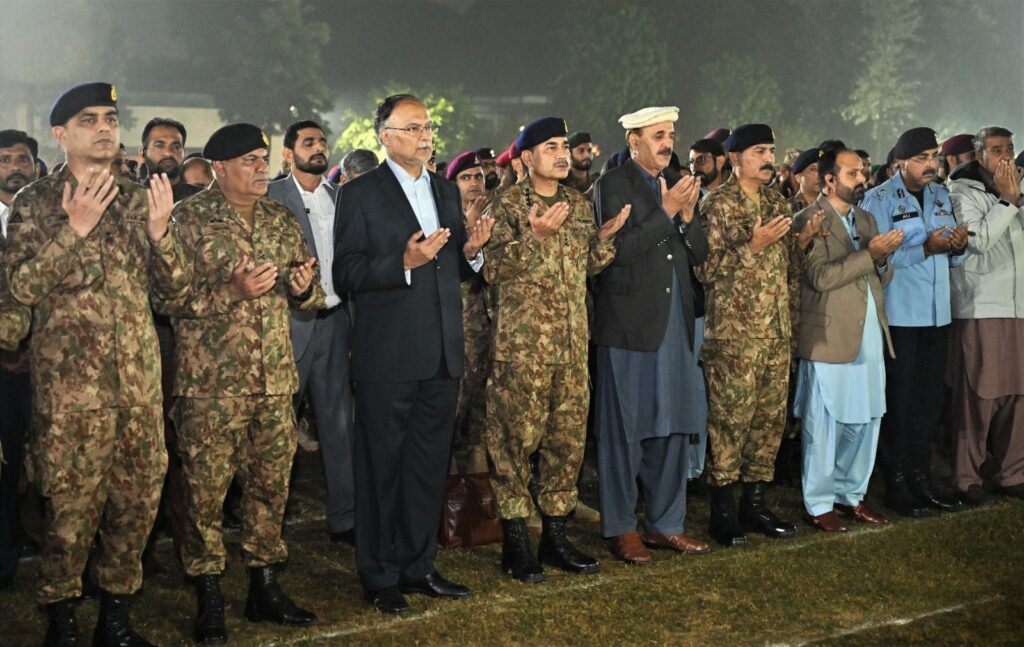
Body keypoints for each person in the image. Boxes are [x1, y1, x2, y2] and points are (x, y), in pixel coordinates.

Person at [4, 82, 187, 647]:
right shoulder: (34, 203)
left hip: (137, 390)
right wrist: (73, 232)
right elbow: (17, 292)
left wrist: (161, 237)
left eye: (110, 117)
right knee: (69, 513)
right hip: (70, 395)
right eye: (89, 119)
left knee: (135, 508)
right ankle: (60, 621)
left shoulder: (142, 198)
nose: (105, 127)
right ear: (61, 135)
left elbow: (175, 296)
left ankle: (116, 620)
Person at [155, 123, 323, 643]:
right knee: (204, 493)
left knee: (270, 488)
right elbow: (165, 298)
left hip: (274, 381)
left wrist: (303, 289)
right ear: (220, 167)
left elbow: (311, 290)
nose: (260, 168)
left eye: (262, 158)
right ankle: (207, 592)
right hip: (211, 386)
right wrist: (229, 290)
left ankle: (264, 585)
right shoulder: (187, 219)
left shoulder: (278, 217)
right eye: (249, 159)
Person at [333, 94, 490, 615]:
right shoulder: (361, 195)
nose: (426, 136)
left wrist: (471, 253)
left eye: (428, 128)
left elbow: (454, 270)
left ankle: (418, 565)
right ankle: (379, 574)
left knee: (426, 467)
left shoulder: (446, 190)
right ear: (385, 135)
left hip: (442, 355)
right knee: (382, 468)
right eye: (414, 127)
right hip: (387, 357)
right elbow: (346, 273)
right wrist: (401, 261)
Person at [483, 117, 628, 583]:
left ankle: (556, 537)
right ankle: (517, 543)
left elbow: (584, 267)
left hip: (569, 347)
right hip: (522, 350)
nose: (563, 154)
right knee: (513, 445)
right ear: (527, 158)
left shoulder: (578, 206)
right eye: (551, 147)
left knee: (566, 444)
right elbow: (490, 270)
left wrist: (603, 243)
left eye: (565, 146)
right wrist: (535, 237)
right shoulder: (504, 206)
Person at [591, 106, 709, 564]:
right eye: (659, 134)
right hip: (629, 325)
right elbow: (615, 253)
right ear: (634, 140)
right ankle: (622, 528)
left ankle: (666, 525)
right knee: (625, 431)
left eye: (671, 134)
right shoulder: (611, 185)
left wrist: (687, 216)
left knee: (674, 428)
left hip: (674, 322)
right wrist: (666, 212)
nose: (668, 142)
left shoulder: (678, 180)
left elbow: (698, 250)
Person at [695, 124, 803, 547]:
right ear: (735, 158)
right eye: (759, 150)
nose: (768, 158)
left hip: (775, 332)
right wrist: (751, 246)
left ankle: (754, 504)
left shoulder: (778, 201)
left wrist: (802, 242)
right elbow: (704, 270)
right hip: (735, 338)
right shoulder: (717, 205)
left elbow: (786, 271)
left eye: (771, 150)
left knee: (767, 423)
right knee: (729, 423)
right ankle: (722, 512)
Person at [861, 127, 969, 517]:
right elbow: (876, 261)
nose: (930, 165)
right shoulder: (879, 199)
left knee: (929, 401)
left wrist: (956, 247)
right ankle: (896, 483)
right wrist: (925, 248)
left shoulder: (942, 195)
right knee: (899, 402)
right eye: (922, 158)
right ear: (900, 161)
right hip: (902, 317)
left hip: (938, 315)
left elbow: (952, 257)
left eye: (934, 157)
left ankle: (922, 477)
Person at [793, 147, 902, 532]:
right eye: (854, 173)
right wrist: (870, 254)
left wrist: (884, 259)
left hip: (869, 334)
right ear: (828, 179)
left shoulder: (867, 219)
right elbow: (819, 278)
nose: (862, 179)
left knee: (867, 420)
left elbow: (880, 278)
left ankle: (851, 496)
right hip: (829, 335)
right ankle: (819, 503)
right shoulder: (808, 221)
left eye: (864, 172)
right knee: (826, 424)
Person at [267, 120, 356, 544]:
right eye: (308, 142)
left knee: (339, 426)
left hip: (336, 323)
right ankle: (268, 523)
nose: (318, 148)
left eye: (322, 141)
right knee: (279, 432)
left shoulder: (342, 198)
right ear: (288, 153)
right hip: (290, 325)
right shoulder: (271, 197)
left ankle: (346, 519)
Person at [947, 126, 1024, 504]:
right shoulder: (962, 193)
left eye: (1009, 148)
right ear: (979, 156)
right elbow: (976, 241)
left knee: (1018, 395)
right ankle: (966, 477)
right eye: (996, 150)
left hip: (1020, 307)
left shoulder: (1016, 189)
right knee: (979, 396)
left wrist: (1014, 198)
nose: (1006, 156)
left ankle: (1012, 472)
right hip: (981, 307)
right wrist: (1009, 202)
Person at [0, 128, 34, 592]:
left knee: (29, 461)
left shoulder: (48, 220)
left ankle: (17, 542)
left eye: (23, 160)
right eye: (5, 159)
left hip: (41, 365)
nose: (14, 167)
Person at [446, 151, 492, 474]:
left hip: (490, 325)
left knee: (483, 402)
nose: (474, 183)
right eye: (466, 178)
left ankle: (477, 484)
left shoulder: (499, 215)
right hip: (456, 325)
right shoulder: (444, 221)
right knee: (453, 403)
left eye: (478, 176)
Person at [141, 117, 202, 201]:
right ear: (143, 153)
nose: (168, 152)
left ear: (185, 153)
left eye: (176, 147)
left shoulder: (204, 200)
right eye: (159, 145)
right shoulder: (127, 200)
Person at [561, 131, 598, 197]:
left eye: (589, 150)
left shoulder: (598, 181)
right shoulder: (560, 185)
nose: (587, 155)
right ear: (569, 154)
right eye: (581, 151)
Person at [789, 148, 821, 212]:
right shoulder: (786, 207)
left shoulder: (833, 203)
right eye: (813, 169)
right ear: (798, 177)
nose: (820, 175)